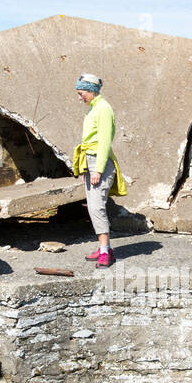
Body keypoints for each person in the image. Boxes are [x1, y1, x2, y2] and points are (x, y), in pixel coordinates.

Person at [70, 73, 123, 268]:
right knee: (93, 208)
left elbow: (104, 141)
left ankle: (105, 252)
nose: (79, 97)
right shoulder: (94, 108)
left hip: (99, 163)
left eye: (81, 93)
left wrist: (98, 170)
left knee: (97, 207)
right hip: (90, 162)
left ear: (91, 91)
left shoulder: (103, 109)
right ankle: (104, 249)